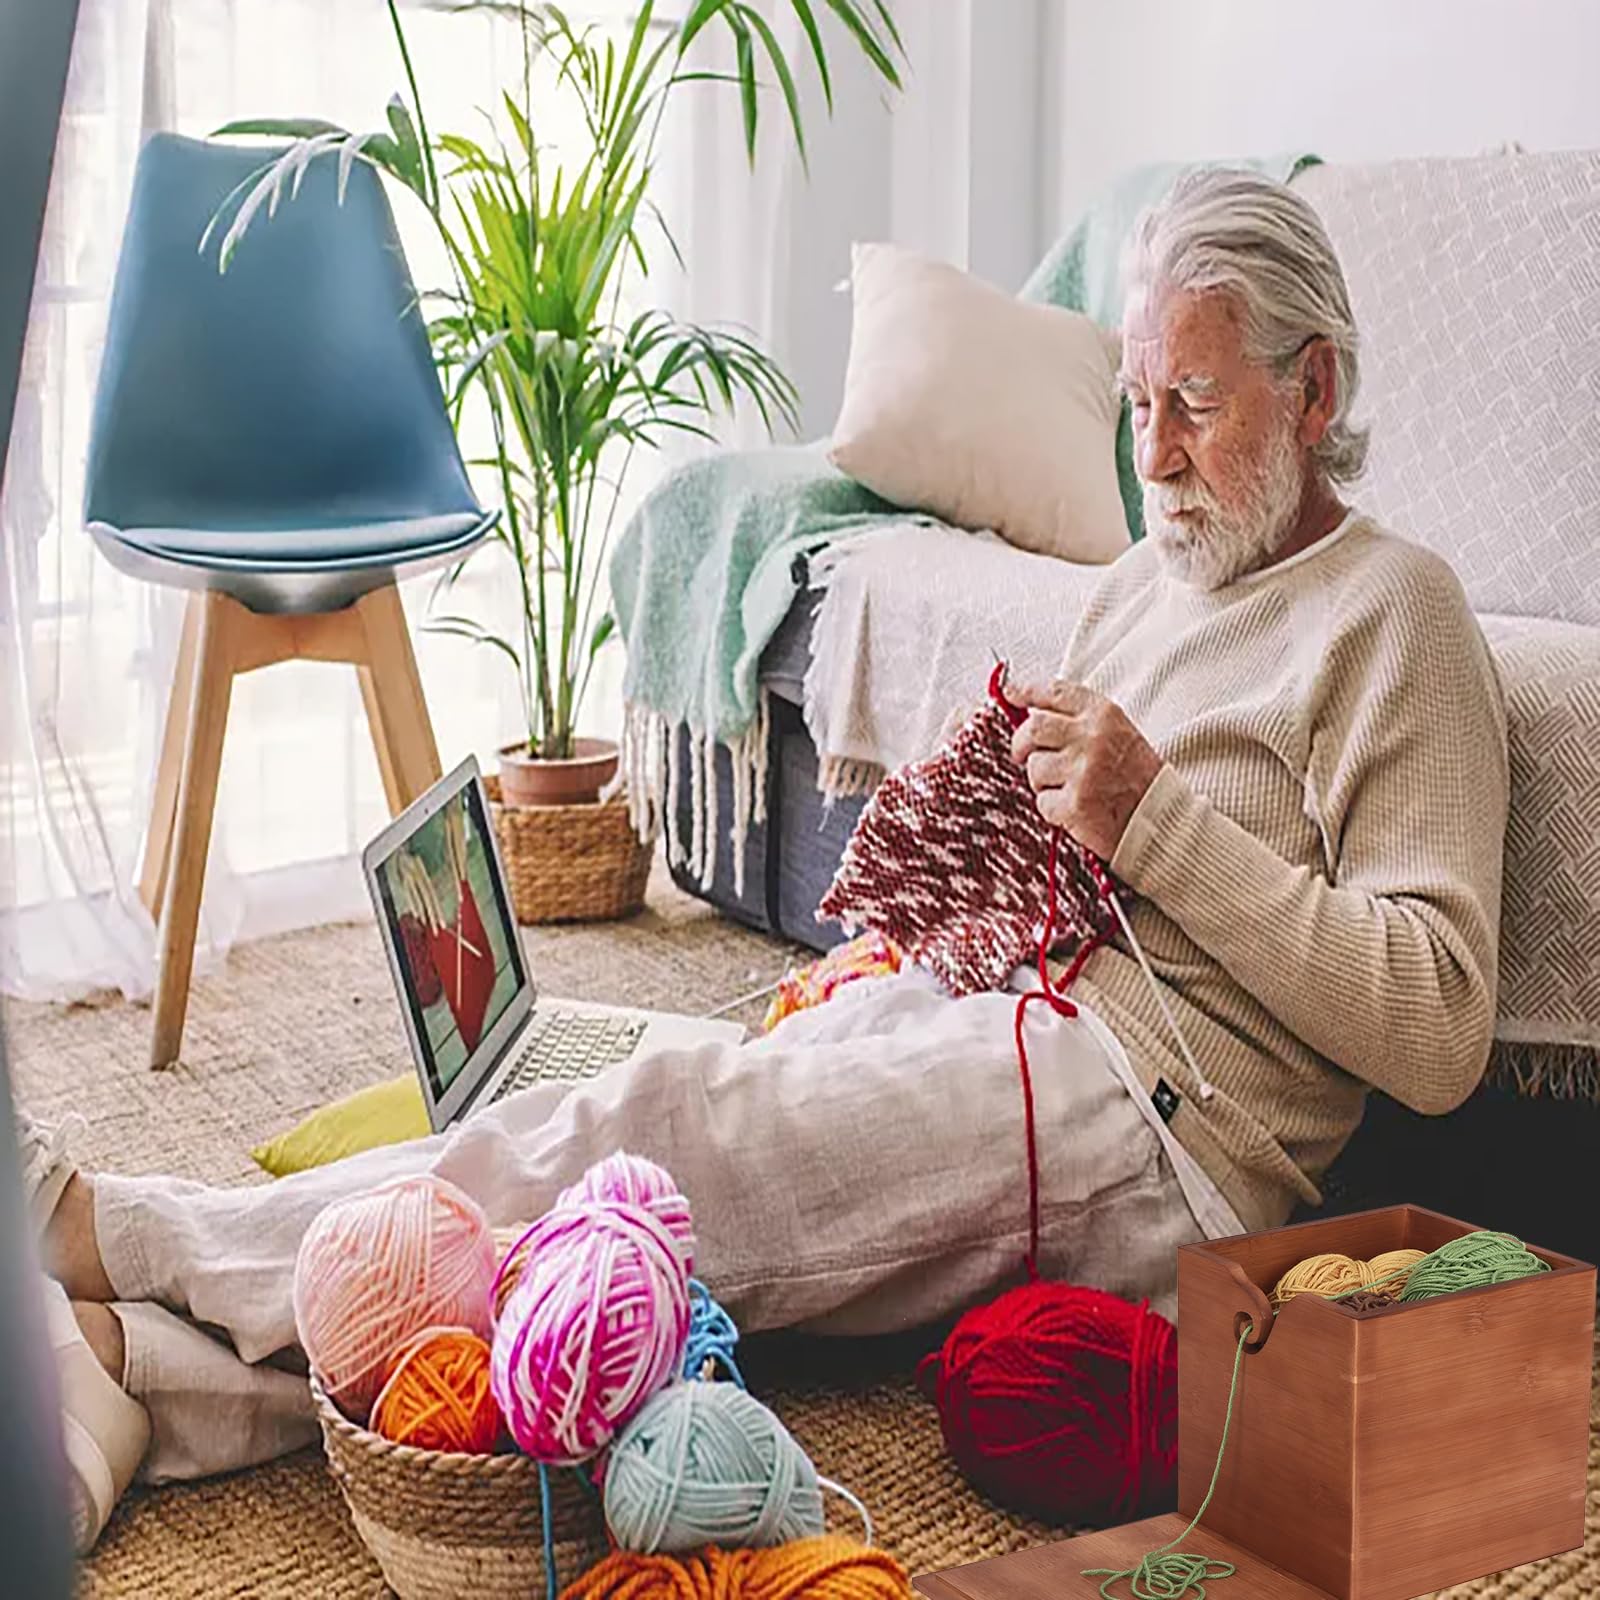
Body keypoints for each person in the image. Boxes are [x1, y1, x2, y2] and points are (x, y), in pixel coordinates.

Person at [21, 166, 1508, 1552]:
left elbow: (1434, 1029)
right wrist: (915, 943)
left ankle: (130, 1232)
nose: (1156, 456)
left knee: (677, 1138)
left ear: (1313, 390)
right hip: (1008, 1007)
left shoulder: (1398, 614)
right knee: (644, 1203)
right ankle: (141, 1371)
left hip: (1162, 1125)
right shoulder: (1143, 582)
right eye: (1135, 404)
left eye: (1191, 400)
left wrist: (1154, 819)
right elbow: (1063, 859)